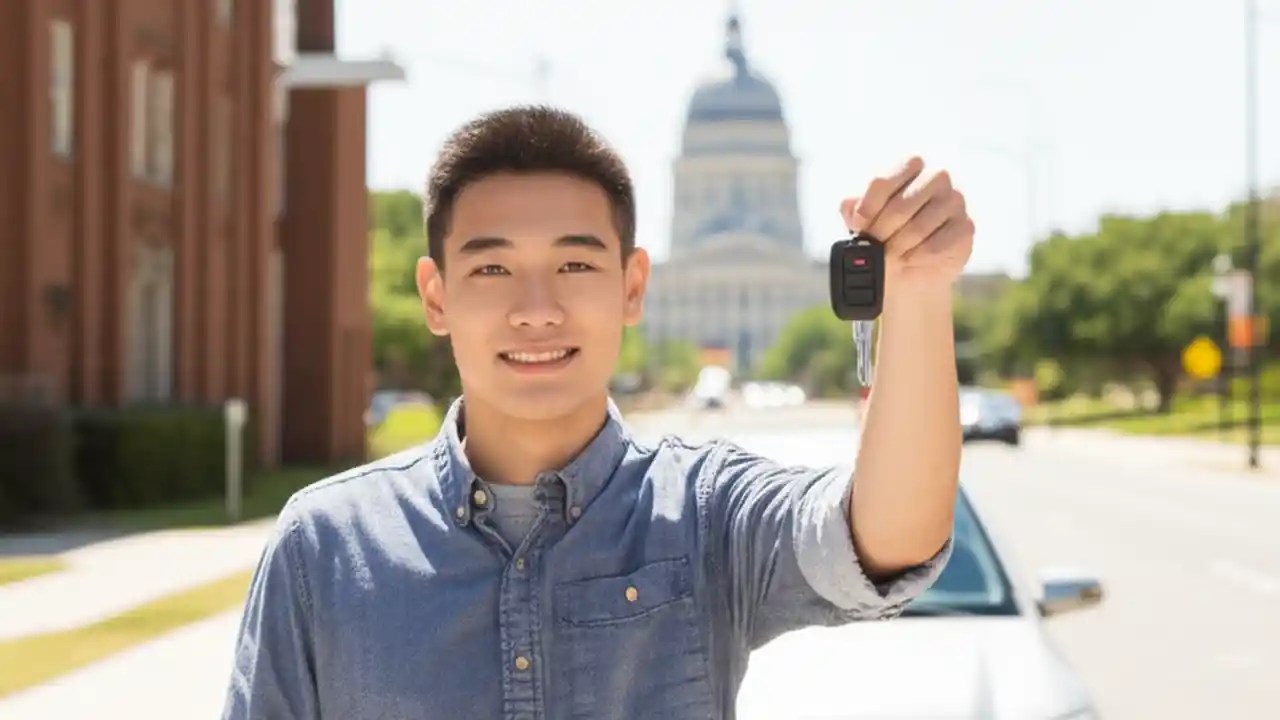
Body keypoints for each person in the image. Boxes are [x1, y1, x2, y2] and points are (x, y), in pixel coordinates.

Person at [221, 105, 973, 720]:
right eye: (492, 268)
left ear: (633, 285)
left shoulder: (706, 518)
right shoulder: (325, 548)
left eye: (576, 264)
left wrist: (921, 290)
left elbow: (887, 534)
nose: (536, 310)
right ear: (436, 296)